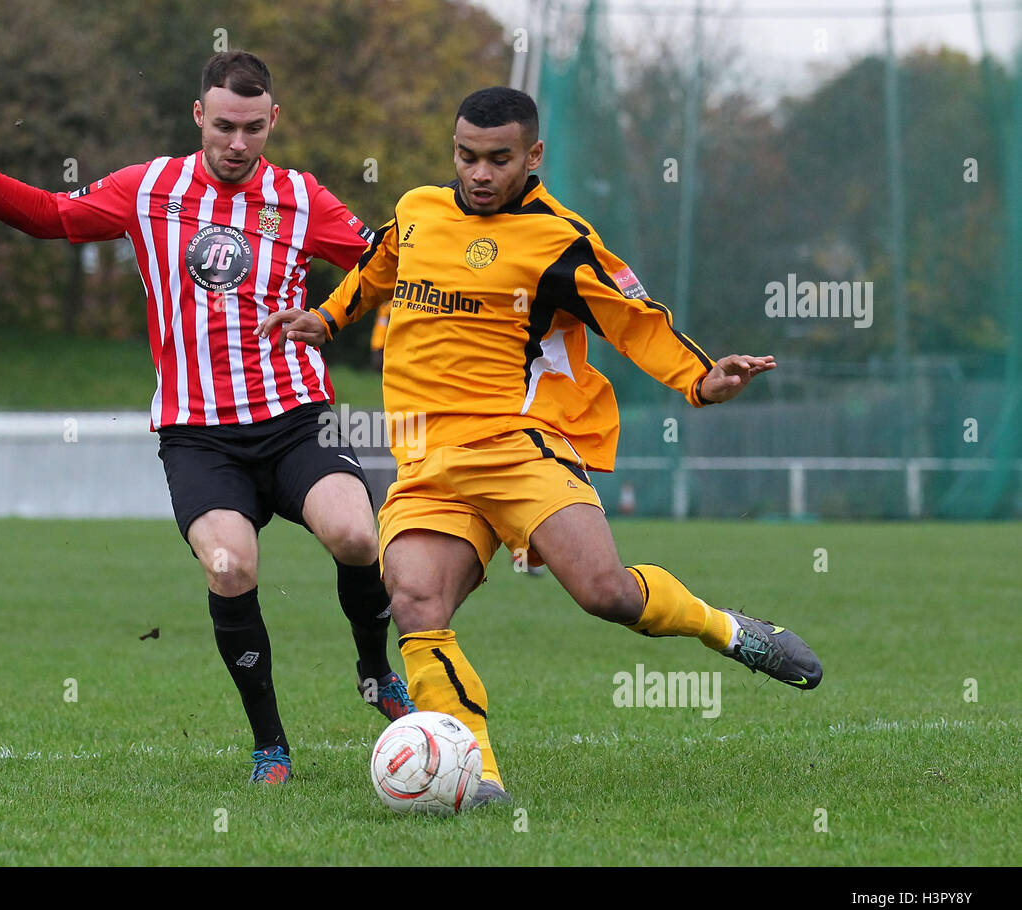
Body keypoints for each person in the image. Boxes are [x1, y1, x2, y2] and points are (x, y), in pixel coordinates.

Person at [258, 87, 822, 807]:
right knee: (414, 598)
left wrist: (701, 379)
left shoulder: (561, 238)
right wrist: (328, 320)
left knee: (606, 594)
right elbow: (379, 267)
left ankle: (730, 631)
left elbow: (636, 320)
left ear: (534, 156)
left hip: (518, 448)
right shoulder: (417, 210)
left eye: (499, 159)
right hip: (428, 460)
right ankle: (477, 778)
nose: (480, 173)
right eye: (466, 156)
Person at [0, 50, 414, 785]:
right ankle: (270, 744)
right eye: (224, 127)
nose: (237, 145)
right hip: (199, 436)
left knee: (357, 534)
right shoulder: (149, 189)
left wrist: (334, 314)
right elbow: (51, 216)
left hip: (297, 419)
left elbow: (383, 263)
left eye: (252, 129)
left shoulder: (301, 197)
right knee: (229, 565)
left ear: (274, 121)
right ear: (198, 118)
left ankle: (375, 671)